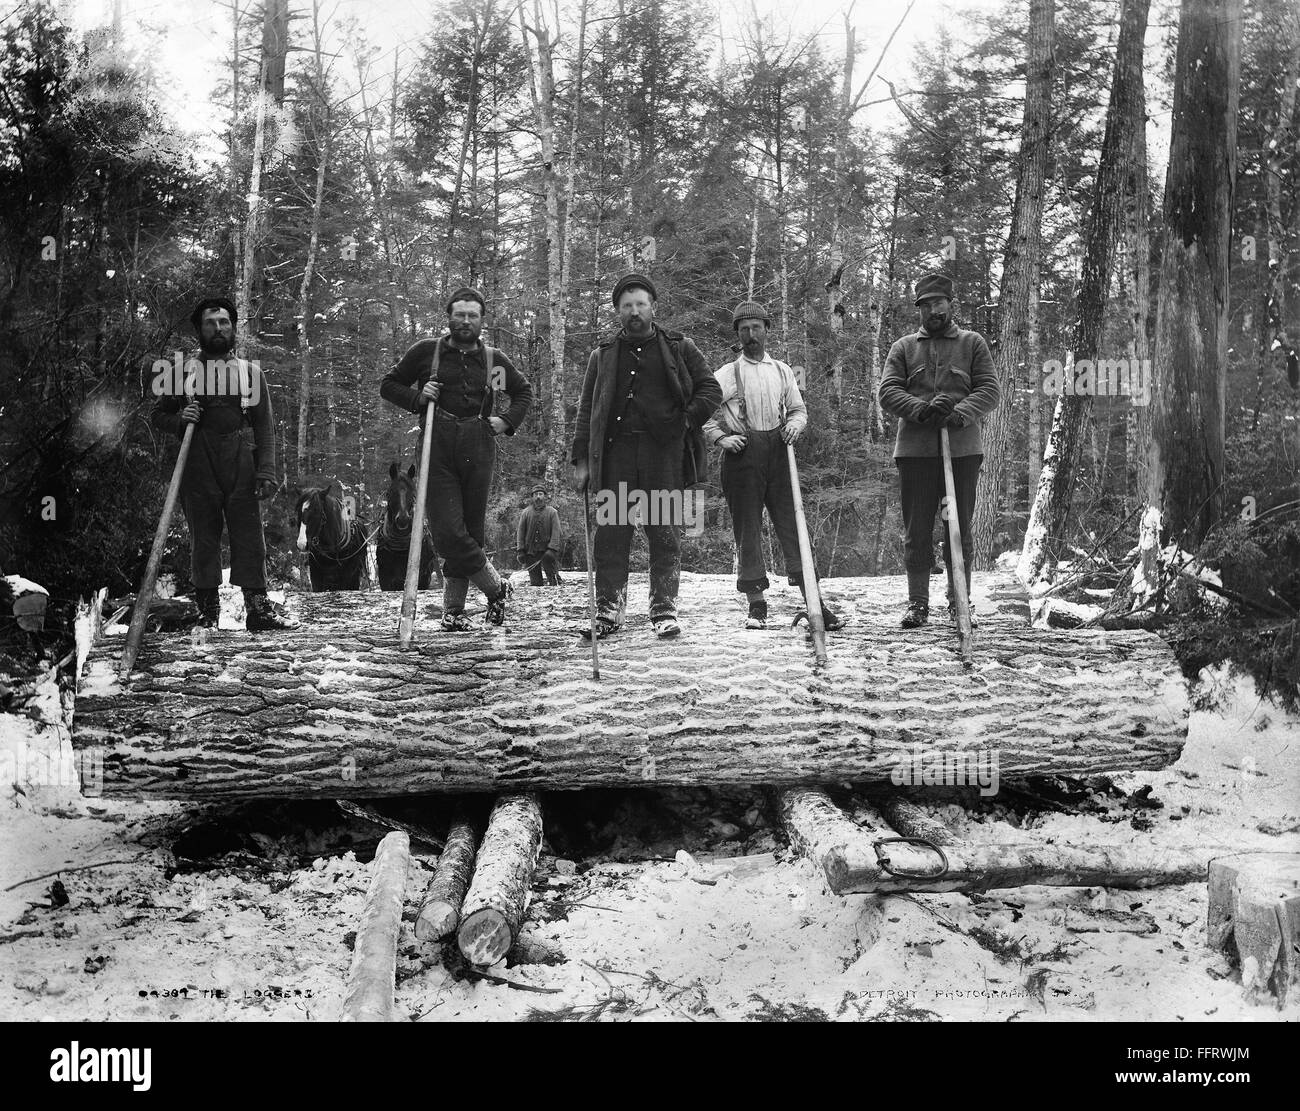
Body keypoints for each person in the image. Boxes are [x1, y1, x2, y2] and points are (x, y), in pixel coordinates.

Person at [570, 273, 721, 638]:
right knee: (611, 536)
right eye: (627, 306)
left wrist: (685, 423)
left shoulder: (679, 347)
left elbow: (710, 389)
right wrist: (582, 461)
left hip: (664, 458)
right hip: (616, 457)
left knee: (664, 534)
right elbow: (587, 408)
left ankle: (663, 611)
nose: (634, 311)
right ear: (617, 312)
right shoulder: (602, 356)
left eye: (640, 304)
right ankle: (608, 611)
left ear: (653, 307)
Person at [380, 287, 532, 630]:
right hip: (438, 442)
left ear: (481, 320)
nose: (465, 321)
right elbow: (388, 385)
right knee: (447, 530)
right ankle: (496, 589)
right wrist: (419, 397)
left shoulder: (493, 361)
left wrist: (506, 420)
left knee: (470, 531)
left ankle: (453, 611)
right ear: (449, 316)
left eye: (472, 315)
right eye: (459, 314)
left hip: (478, 444)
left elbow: (522, 392)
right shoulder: (426, 353)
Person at [150, 296, 296, 631]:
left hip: (240, 458)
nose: (218, 328)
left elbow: (264, 425)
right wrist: (179, 419)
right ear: (199, 329)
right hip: (197, 460)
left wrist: (266, 471)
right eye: (210, 323)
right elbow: (158, 414)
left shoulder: (250, 373)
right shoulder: (181, 372)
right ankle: (207, 613)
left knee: (249, 535)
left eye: (225, 322)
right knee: (204, 536)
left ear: (233, 327)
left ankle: (257, 610)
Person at [704, 301, 843, 631]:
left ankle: (814, 604)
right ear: (737, 334)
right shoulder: (727, 373)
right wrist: (722, 438)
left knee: (794, 528)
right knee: (748, 530)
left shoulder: (782, 370)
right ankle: (756, 605)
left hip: (781, 456)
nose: (751, 335)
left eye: (756, 328)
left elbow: (798, 409)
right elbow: (701, 410)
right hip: (742, 458)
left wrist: (796, 425)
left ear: (767, 330)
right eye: (744, 330)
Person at [877, 272, 1000, 628]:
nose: (933, 310)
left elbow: (990, 390)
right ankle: (917, 603)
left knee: (957, 528)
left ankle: (959, 598)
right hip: (915, 454)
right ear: (919, 309)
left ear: (950, 304)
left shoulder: (972, 343)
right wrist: (921, 409)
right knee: (917, 531)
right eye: (926, 305)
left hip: (962, 453)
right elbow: (887, 392)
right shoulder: (903, 347)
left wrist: (958, 413)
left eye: (939, 303)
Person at [516, 484, 563, 585]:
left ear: (545, 497)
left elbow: (556, 532)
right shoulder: (526, 513)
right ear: (532, 497)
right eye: (536, 494)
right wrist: (520, 550)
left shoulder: (552, 512)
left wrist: (552, 549)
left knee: (554, 581)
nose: (538, 497)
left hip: (548, 553)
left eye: (540, 494)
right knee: (535, 584)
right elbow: (520, 532)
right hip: (530, 553)